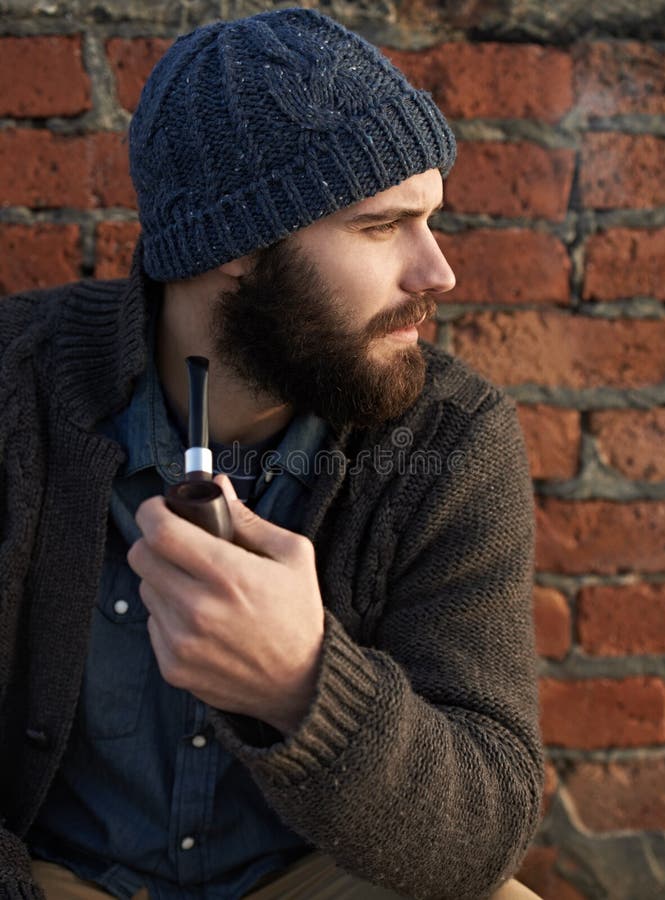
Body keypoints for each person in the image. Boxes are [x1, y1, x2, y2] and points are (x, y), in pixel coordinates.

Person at [0, 9, 544, 900]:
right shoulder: (17, 387)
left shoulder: (451, 436)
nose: (437, 273)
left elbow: (487, 824)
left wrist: (303, 683)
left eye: (430, 219)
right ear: (239, 247)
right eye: (382, 227)